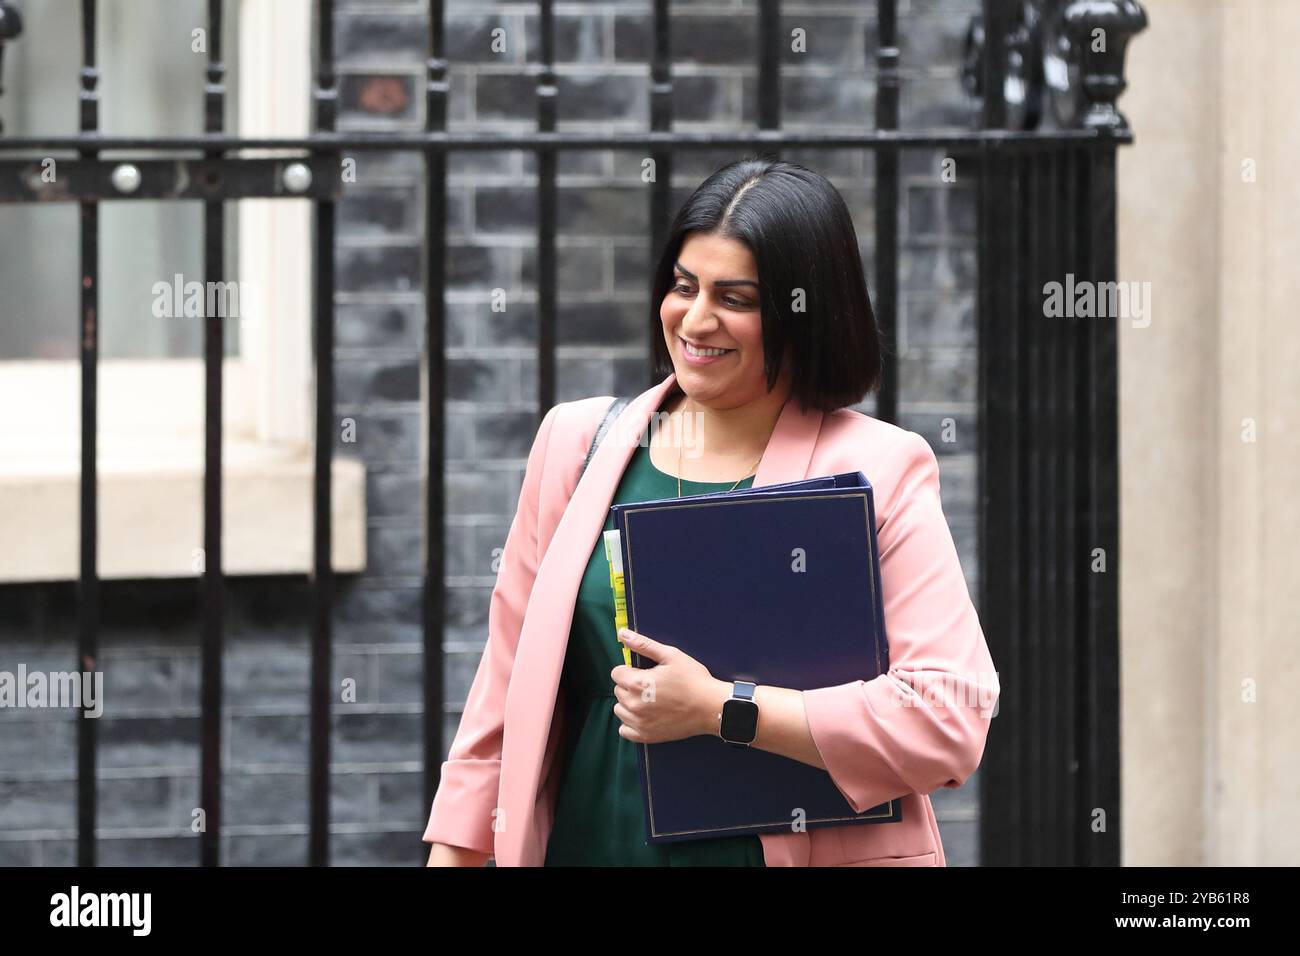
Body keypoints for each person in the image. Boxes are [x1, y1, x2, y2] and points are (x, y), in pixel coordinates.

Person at [424, 156, 998, 867]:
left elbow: (948, 718)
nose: (695, 319)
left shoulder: (878, 469)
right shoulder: (576, 447)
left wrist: (727, 709)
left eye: (736, 297)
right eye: (684, 286)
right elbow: (502, 701)